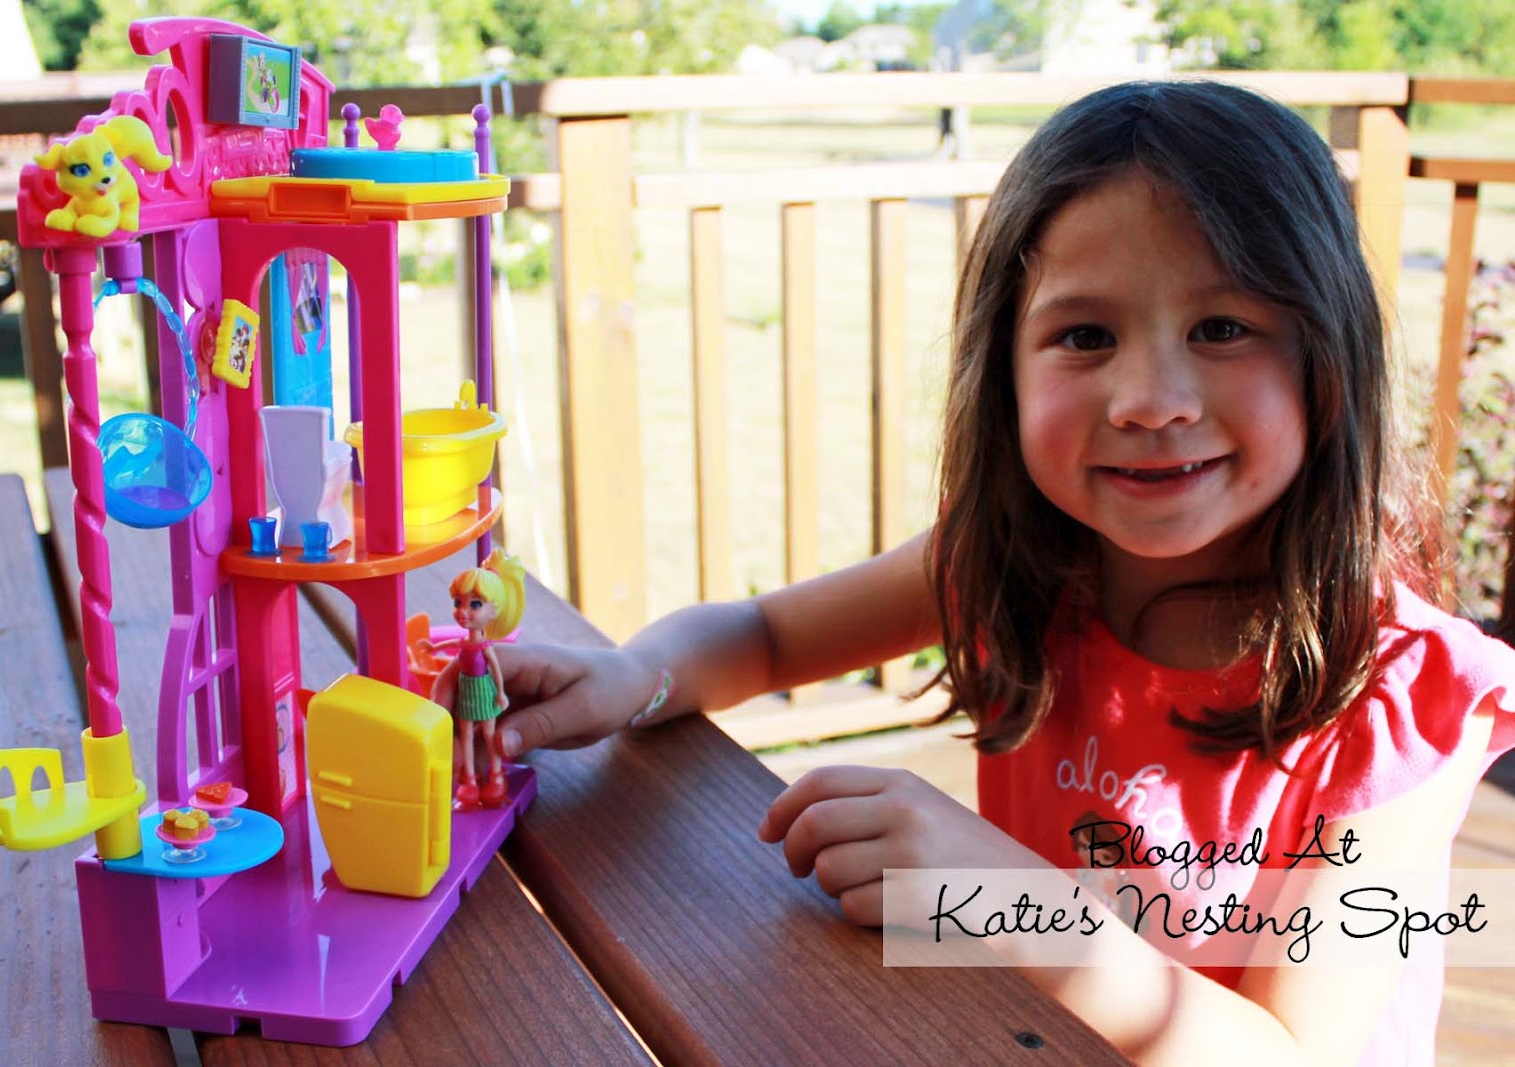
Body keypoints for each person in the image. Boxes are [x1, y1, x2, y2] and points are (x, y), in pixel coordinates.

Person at [490, 81, 1515, 1063]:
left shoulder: (1407, 698)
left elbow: (1289, 1053)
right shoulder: (1019, 566)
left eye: (1222, 328)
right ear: (1005, 373)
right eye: (1085, 334)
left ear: (1329, 355)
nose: (1150, 398)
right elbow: (764, 636)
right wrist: (633, 677)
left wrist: (999, 892)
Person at [423, 550, 526, 808]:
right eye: (458, 602)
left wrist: (500, 693)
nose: (463, 611)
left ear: (494, 611)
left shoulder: (485, 647)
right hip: (466, 692)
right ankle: (469, 779)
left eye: (475, 604)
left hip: (484, 691)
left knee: (490, 735)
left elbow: (496, 672)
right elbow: (450, 644)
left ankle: (496, 774)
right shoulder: (466, 643)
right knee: (467, 736)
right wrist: (433, 648)